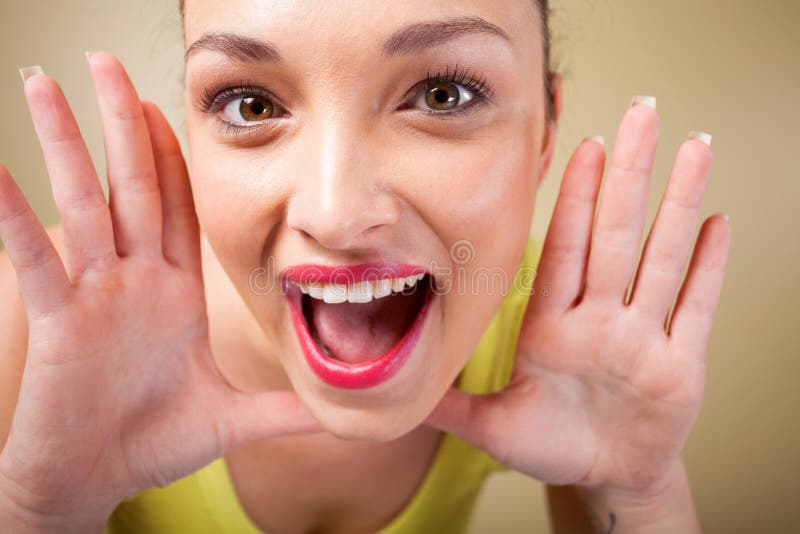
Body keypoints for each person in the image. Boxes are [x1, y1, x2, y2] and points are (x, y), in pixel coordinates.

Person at [0, 0, 730, 532]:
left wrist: (638, 493)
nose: (336, 212)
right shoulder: (52, 330)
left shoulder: (560, 336)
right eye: (251, 105)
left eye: (443, 95)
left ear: (545, 133)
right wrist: (40, 514)